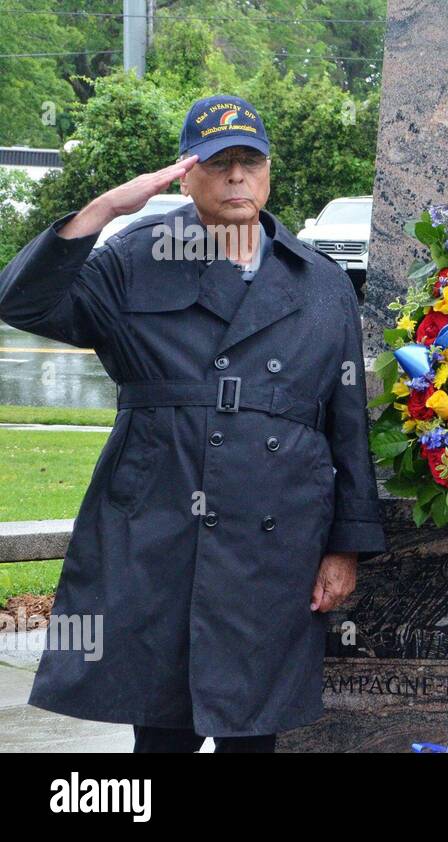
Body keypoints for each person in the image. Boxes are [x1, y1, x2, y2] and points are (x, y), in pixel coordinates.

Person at [0, 94, 386, 752]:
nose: (237, 176)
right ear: (187, 173)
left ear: (268, 172)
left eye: (250, 161)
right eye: (219, 163)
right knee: (161, 731)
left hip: (276, 538)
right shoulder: (136, 258)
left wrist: (343, 547)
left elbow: (344, 422)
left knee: (253, 733)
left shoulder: (319, 282)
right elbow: (24, 301)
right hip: (161, 525)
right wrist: (102, 212)